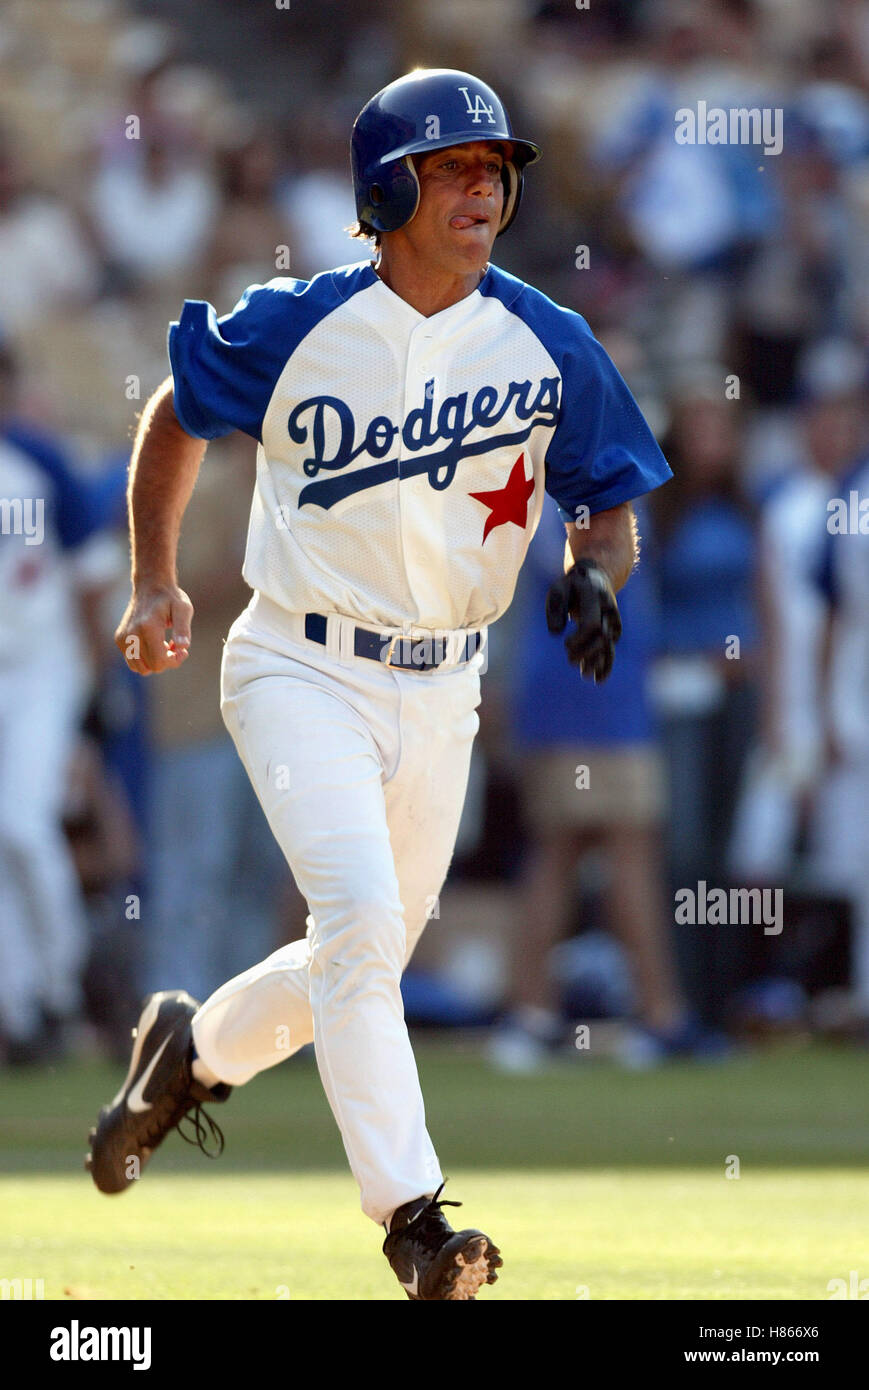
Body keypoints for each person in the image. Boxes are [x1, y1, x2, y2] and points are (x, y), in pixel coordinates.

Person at [85, 69, 671, 1301]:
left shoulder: (547, 338)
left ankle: (185, 1056)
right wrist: (153, 577)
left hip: (441, 691)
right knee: (356, 931)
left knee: (354, 962)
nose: (481, 186)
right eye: (452, 165)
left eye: (493, 167)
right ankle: (413, 1220)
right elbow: (178, 413)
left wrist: (595, 575)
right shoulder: (299, 322)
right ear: (384, 188)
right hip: (295, 661)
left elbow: (607, 504)